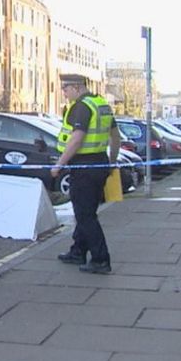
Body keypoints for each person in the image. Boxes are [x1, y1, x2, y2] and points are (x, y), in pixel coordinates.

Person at [52, 74, 121, 274]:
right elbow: (115, 136)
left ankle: (101, 259)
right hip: (99, 162)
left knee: (85, 214)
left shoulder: (81, 107)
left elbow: (76, 139)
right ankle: (78, 251)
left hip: (83, 166)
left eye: (65, 89)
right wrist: (112, 161)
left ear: (76, 87)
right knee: (86, 210)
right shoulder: (101, 104)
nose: (64, 94)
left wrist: (59, 164)